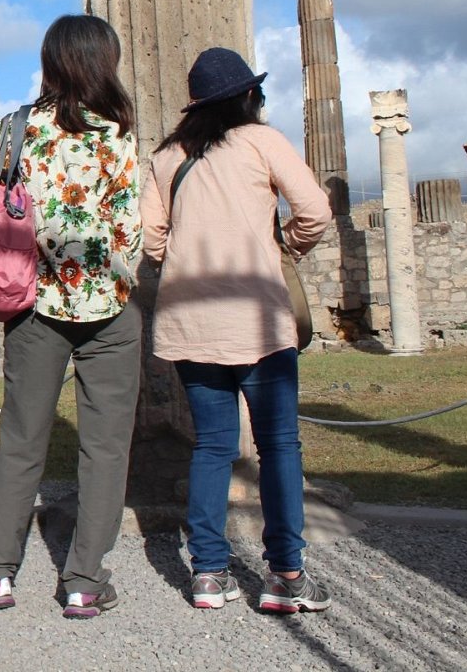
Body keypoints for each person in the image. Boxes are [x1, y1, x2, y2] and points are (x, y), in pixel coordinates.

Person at [0, 13, 142, 619]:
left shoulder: (15, 130)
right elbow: (130, 230)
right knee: (106, 447)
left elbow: (2, 210)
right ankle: (84, 581)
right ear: (103, 62)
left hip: (32, 304)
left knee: (21, 440)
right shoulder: (118, 134)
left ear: (52, 60)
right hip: (108, 306)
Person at [141, 47, 333, 614]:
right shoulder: (262, 141)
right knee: (278, 446)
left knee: (212, 447)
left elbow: (151, 242)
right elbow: (314, 211)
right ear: (249, 97)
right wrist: (281, 249)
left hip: (191, 321)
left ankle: (207, 572)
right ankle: (286, 575)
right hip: (257, 320)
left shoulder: (167, 157)